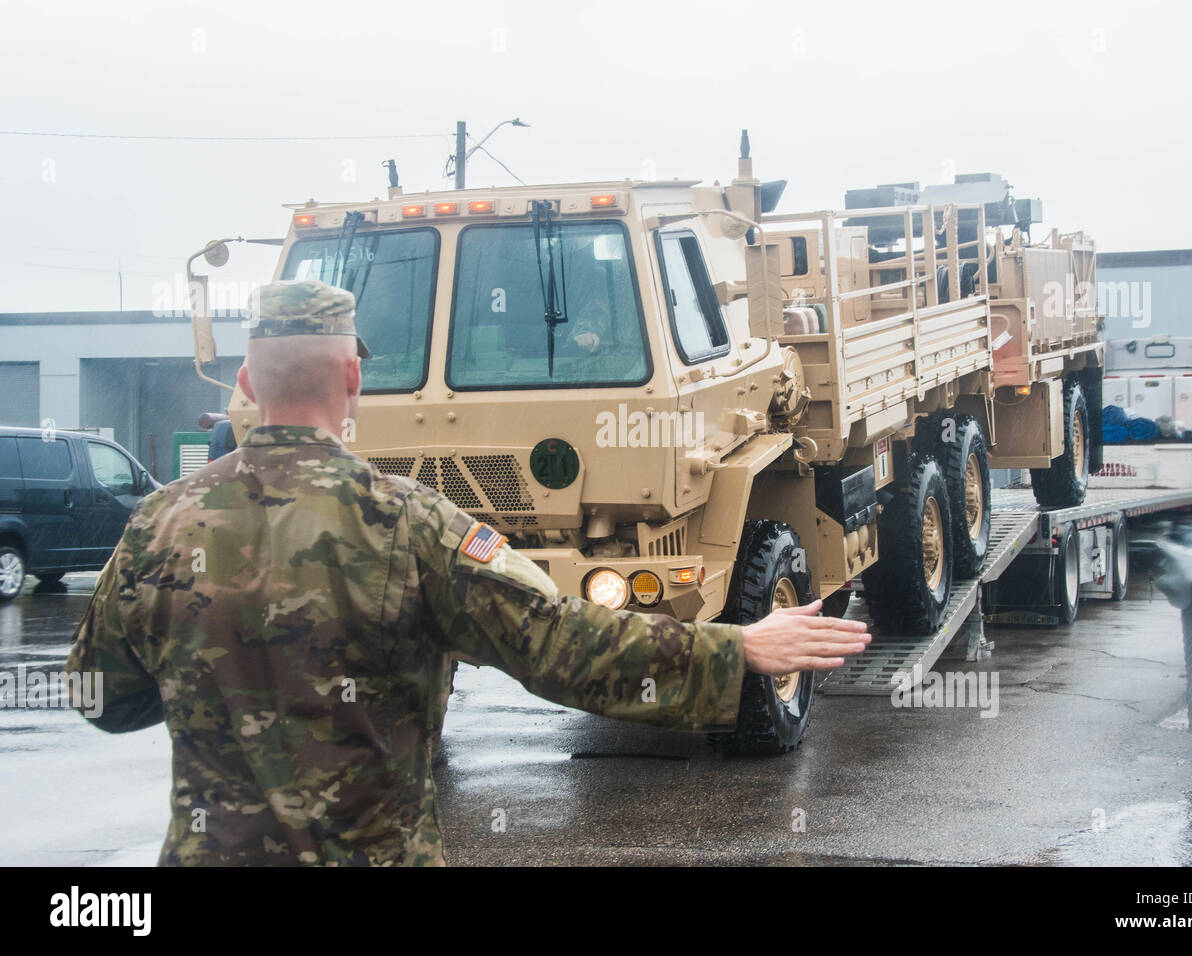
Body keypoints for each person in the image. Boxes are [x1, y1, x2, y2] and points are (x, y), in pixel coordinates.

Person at [66, 278, 869, 866]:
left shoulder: (159, 524)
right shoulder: (408, 525)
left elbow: (103, 698)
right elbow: (556, 647)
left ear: (245, 384)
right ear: (354, 380)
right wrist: (736, 651)